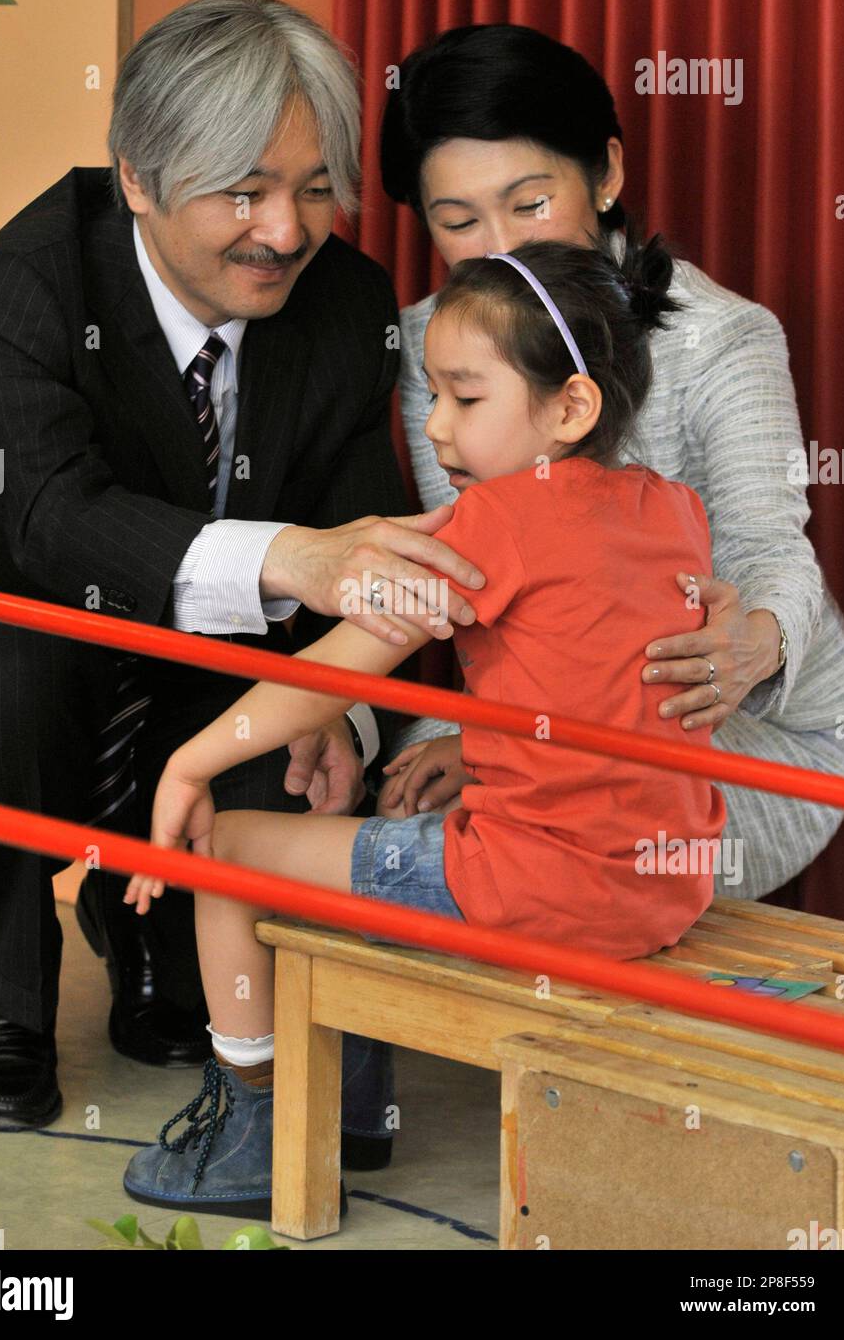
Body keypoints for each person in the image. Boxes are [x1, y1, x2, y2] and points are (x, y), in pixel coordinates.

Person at [0, 0, 485, 1167]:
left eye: (315, 185)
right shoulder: (11, 292)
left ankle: (149, 944)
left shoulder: (344, 300)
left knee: (272, 813)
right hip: (37, 638)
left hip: (226, 663)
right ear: (137, 176)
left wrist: (340, 698)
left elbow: (355, 521)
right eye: (243, 190)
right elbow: (41, 519)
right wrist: (289, 558)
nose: (285, 230)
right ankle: (8, 997)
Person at [122, 230, 727, 1216]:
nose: (436, 428)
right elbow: (595, 679)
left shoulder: (499, 519)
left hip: (535, 887)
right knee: (365, 841)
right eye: (433, 394)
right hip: (664, 886)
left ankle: (248, 1133)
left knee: (222, 851)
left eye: (466, 397)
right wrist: (467, 743)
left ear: (569, 405)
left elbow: (330, 672)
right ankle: (354, 1112)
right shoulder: (673, 509)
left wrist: (189, 763)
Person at [377, 25, 844, 901]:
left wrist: (753, 640)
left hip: (738, 725)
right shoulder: (431, 346)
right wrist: (492, 740)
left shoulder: (723, 336)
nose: (498, 250)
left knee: (562, 860)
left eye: (528, 205)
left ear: (605, 173)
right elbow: (466, 565)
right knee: (395, 820)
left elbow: (767, 546)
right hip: (532, 699)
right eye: (458, 221)